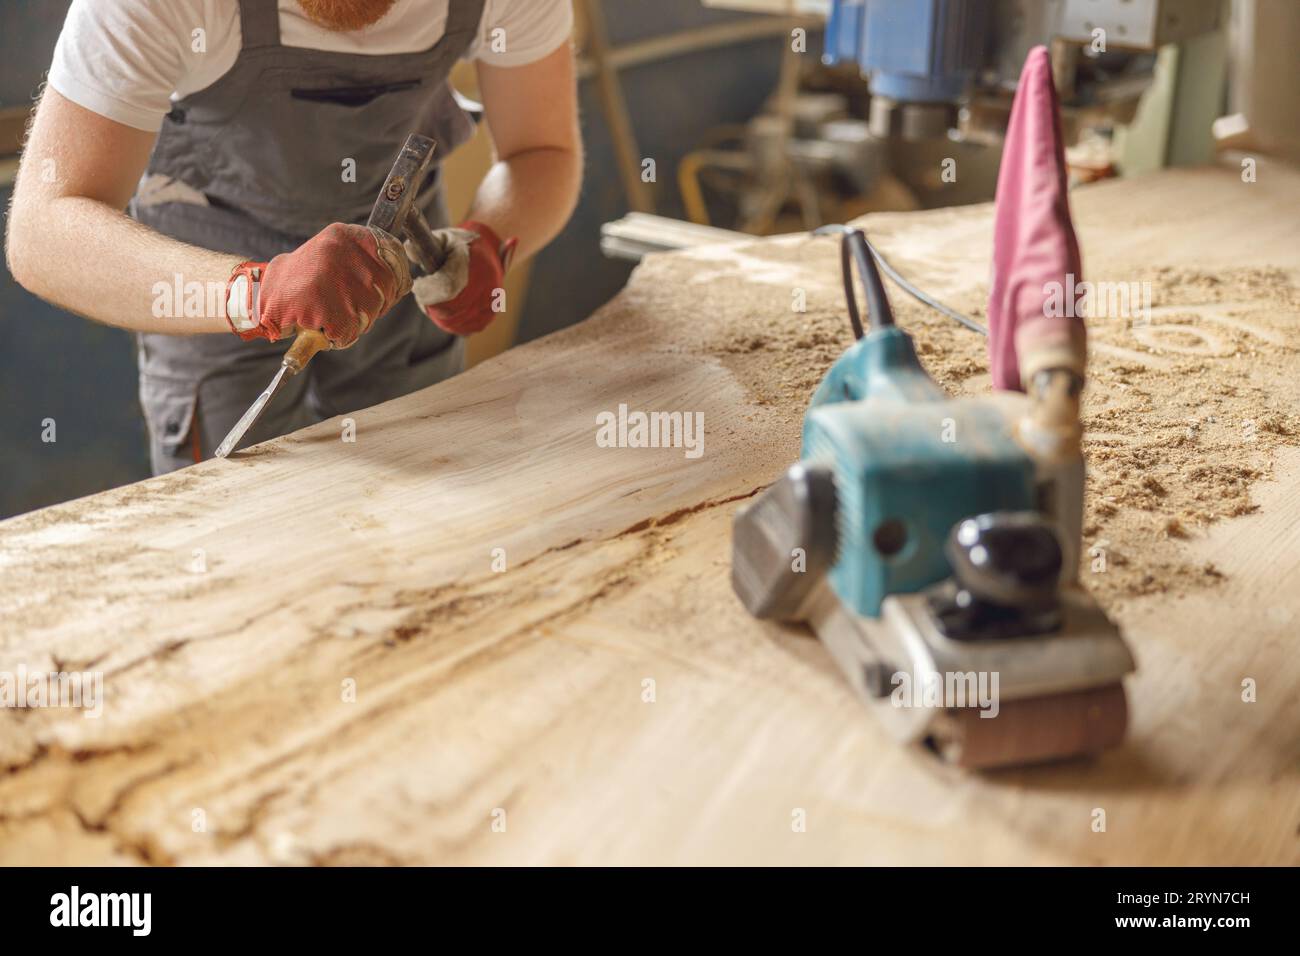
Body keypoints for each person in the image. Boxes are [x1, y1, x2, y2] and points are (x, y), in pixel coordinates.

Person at [6, 0, 582, 474]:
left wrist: (489, 241)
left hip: (394, 283)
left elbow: (542, 151)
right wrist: (257, 293)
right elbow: (43, 230)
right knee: (238, 543)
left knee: (430, 517)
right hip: (210, 285)